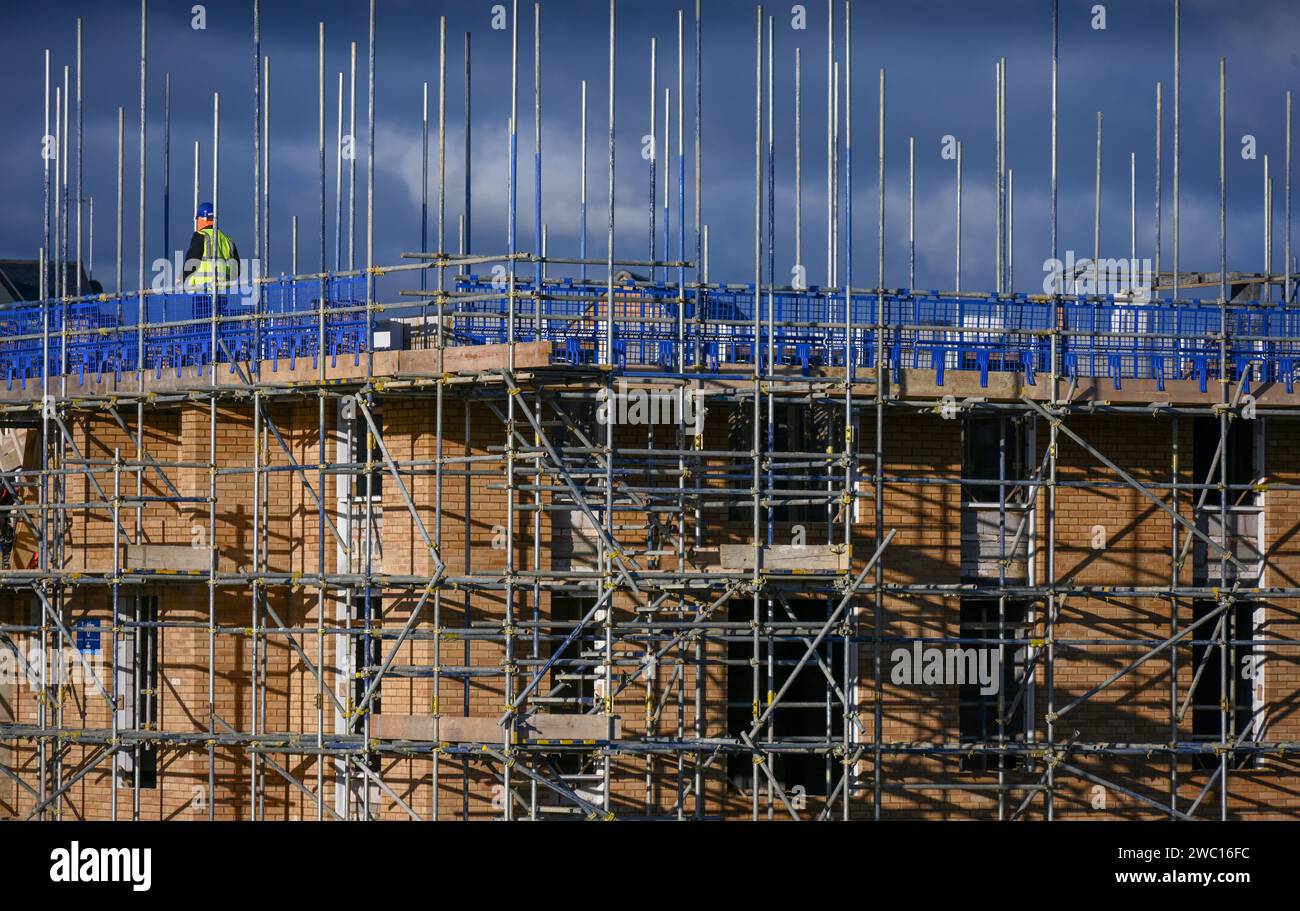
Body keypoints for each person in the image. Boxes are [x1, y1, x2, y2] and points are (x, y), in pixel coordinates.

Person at [183, 202, 240, 290]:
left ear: (202, 219)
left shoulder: (200, 235)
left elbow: (191, 262)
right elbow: (236, 271)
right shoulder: (228, 240)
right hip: (222, 293)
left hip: (203, 291)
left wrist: (183, 278)